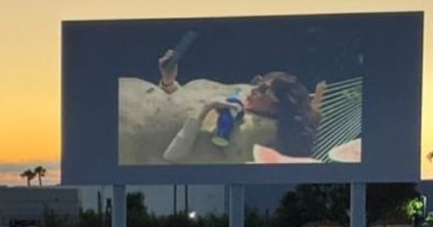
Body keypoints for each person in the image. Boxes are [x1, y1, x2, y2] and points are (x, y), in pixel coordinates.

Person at [118, 49, 326, 165]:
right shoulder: (244, 101)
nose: (254, 90)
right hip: (133, 101)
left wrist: (203, 111)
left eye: (263, 90)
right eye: (258, 83)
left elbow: (173, 155)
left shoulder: (247, 132)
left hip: (128, 135)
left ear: (277, 109)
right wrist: (169, 82)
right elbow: (178, 106)